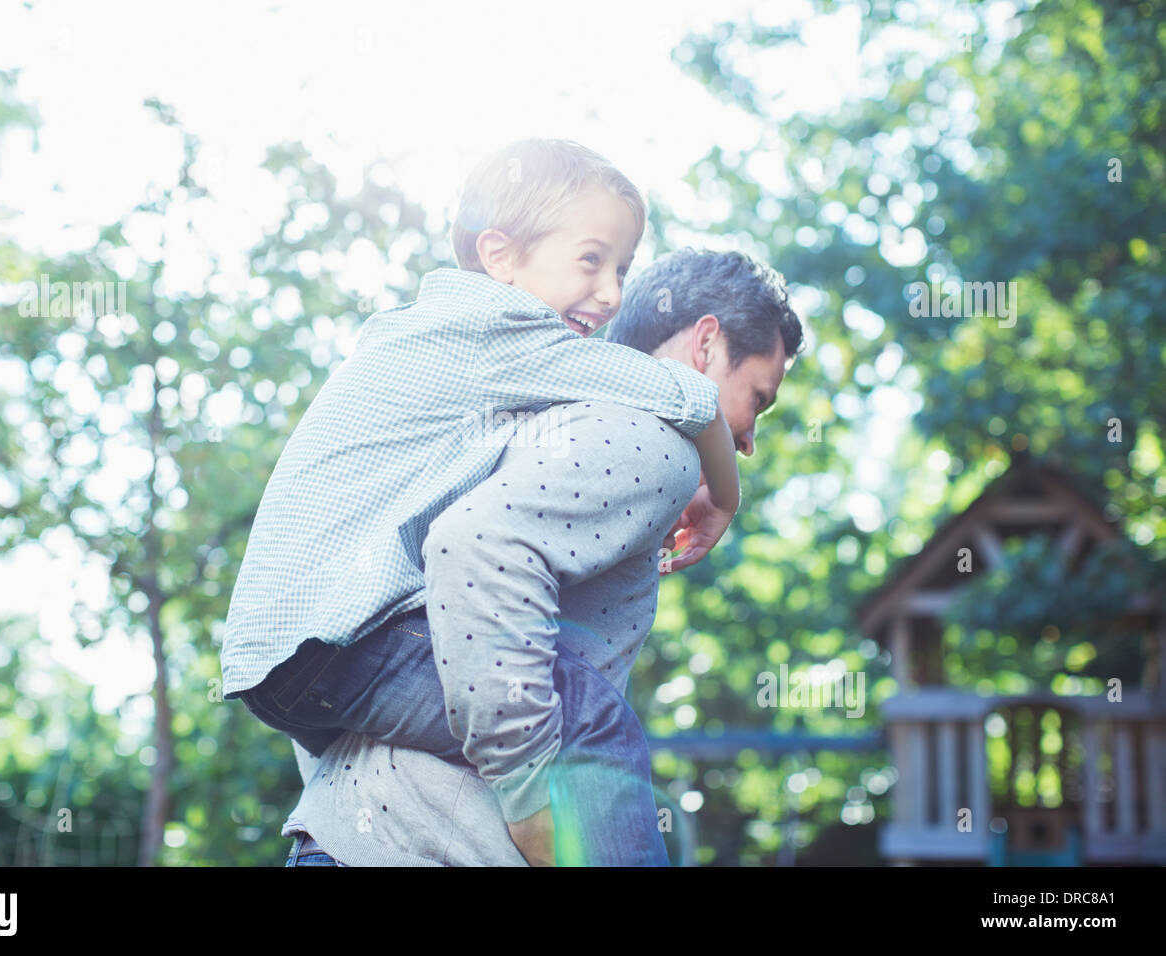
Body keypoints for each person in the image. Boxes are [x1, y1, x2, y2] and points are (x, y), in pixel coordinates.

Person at [221, 139, 744, 865]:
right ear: (499, 255)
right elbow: (685, 397)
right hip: (341, 640)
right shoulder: (498, 329)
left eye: (622, 268)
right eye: (591, 260)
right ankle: (539, 823)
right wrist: (722, 494)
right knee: (589, 719)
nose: (613, 292)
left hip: (283, 661)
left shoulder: (423, 332)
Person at [278, 247, 804, 865]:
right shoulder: (654, 441)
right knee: (600, 727)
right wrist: (539, 823)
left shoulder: (510, 425)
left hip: (338, 839)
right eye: (758, 400)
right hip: (433, 852)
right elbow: (471, 546)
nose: (746, 441)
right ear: (707, 345)